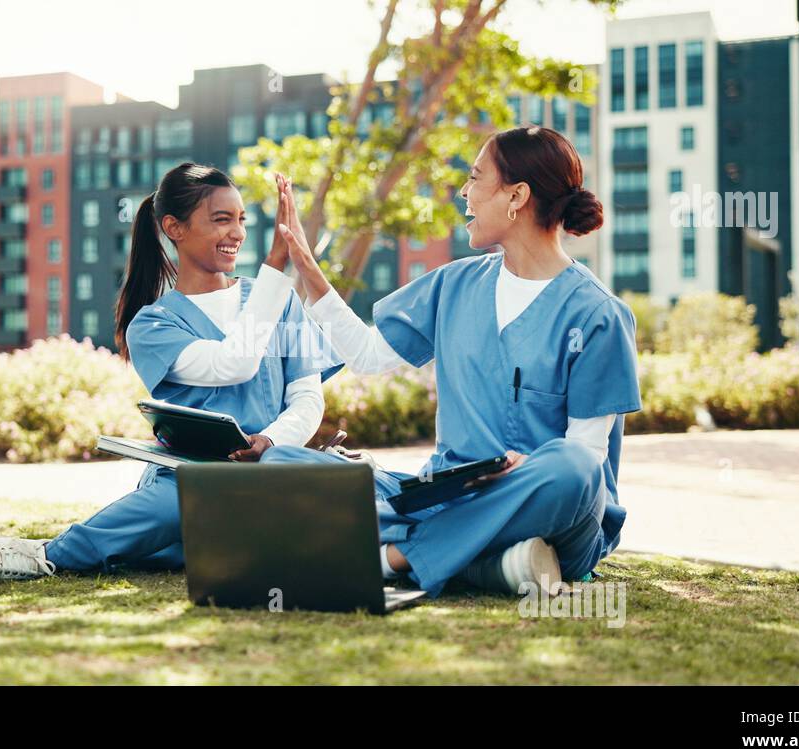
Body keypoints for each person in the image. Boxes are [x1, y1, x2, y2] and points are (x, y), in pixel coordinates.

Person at [266, 125, 642, 598]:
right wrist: (306, 265)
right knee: (282, 462)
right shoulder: (454, 285)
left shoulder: (597, 314)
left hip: (552, 511)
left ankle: (395, 558)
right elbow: (366, 354)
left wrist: (521, 469)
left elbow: (587, 454)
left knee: (571, 467)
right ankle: (492, 564)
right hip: (446, 495)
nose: (464, 192)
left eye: (475, 177)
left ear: (517, 196)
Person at [0, 164, 342, 583]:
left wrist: (270, 442)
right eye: (221, 219)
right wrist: (276, 267)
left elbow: (307, 398)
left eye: (241, 220)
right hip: (185, 483)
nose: (238, 233)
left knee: (336, 497)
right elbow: (233, 363)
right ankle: (49, 554)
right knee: (185, 506)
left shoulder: (277, 302)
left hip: (269, 473)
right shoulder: (153, 326)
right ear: (174, 227)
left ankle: (165, 547)